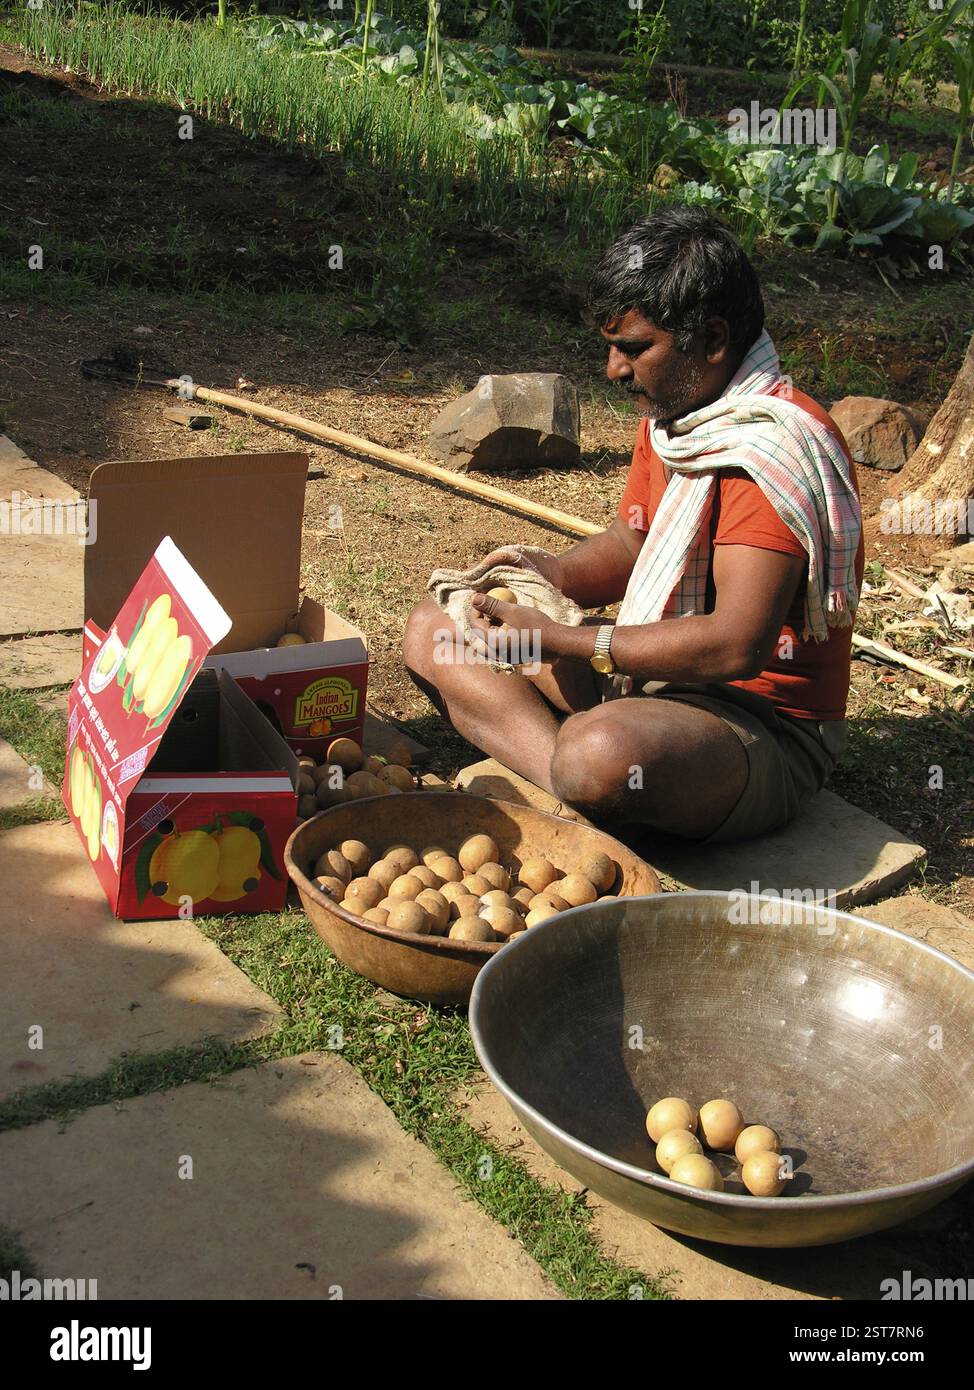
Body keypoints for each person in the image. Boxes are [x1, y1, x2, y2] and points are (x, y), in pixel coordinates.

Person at [403, 207, 864, 843]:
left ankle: (585, 774)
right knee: (435, 630)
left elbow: (737, 645)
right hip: (644, 681)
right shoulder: (679, 417)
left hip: (755, 726)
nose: (614, 371)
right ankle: (575, 802)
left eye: (634, 349)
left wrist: (568, 641)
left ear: (712, 341)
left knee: (601, 751)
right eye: (612, 348)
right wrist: (551, 573)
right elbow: (631, 542)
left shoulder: (768, 453)